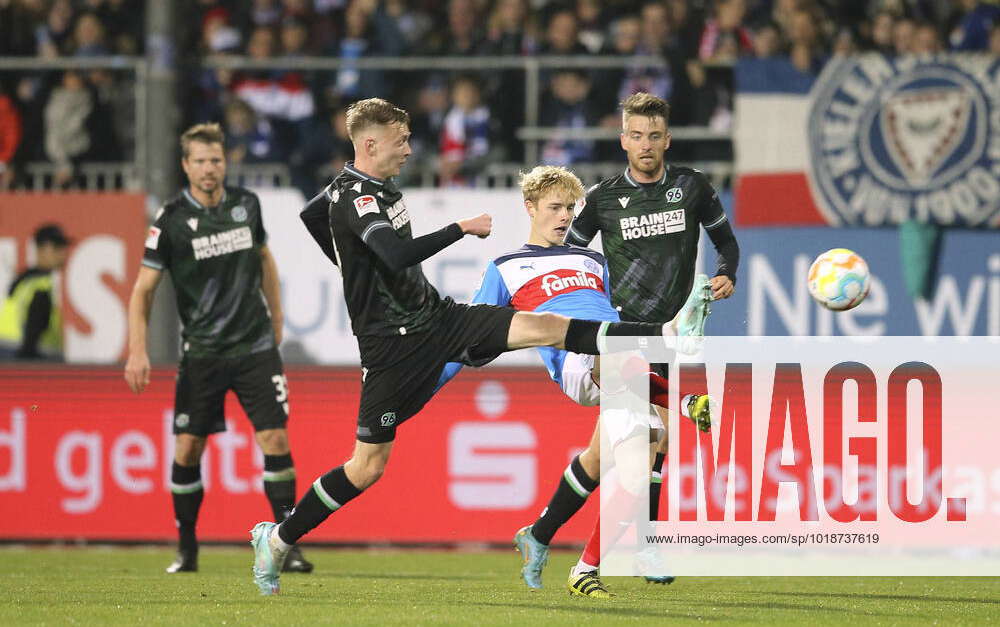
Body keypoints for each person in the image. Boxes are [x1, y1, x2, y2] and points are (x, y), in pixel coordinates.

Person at [252, 97, 683, 596]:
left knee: (544, 327)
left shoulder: (361, 189)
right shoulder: (357, 198)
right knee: (367, 467)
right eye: (401, 141)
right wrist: (459, 228)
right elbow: (392, 254)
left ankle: (659, 334)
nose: (410, 150)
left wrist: (350, 265)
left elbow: (311, 216)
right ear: (371, 144)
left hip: (438, 319)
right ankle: (279, 539)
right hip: (391, 349)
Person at [433, 165, 712, 597]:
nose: (564, 216)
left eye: (570, 208)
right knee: (619, 367)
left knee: (626, 461)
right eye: (554, 207)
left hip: (622, 363)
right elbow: (467, 337)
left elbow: (608, 315)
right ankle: (684, 398)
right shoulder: (506, 267)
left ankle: (555, 547)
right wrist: (427, 385)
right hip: (578, 363)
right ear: (530, 208)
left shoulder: (592, 260)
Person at [565, 91, 740, 592]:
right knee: (648, 444)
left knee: (643, 450)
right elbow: (573, 259)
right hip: (623, 335)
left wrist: (727, 273)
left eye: (654, 136)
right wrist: (584, 314)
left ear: (668, 139)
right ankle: (633, 548)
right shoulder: (601, 199)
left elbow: (726, 241)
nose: (645, 144)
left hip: (676, 333)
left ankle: (559, 533)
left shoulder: (692, 187)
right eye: (636, 136)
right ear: (623, 140)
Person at [124, 123, 312, 575]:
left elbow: (265, 259)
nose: (210, 169)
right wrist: (137, 351)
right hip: (203, 353)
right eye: (201, 161)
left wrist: (278, 315)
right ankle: (187, 548)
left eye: (216, 160)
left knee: (276, 439)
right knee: (188, 449)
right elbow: (142, 291)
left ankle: (286, 545)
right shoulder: (170, 221)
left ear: (225, 162)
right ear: (186, 166)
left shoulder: (247, 205)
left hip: (254, 346)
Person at [0, 224, 70, 360]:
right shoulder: (41, 286)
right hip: (24, 358)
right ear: (44, 249)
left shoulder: (23, 280)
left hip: (6, 354)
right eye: (59, 247)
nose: (64, 253)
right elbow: (33, 331)